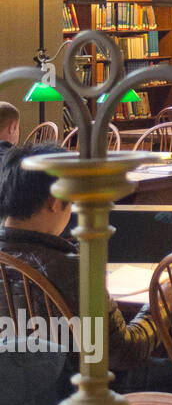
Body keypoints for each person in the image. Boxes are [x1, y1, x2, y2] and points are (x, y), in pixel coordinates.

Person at [0, 144, 159, 373]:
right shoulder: (71, 269)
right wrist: (157, 307)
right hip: (74, 390)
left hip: (17, 394)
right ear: (55, 201)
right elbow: (121, 354)